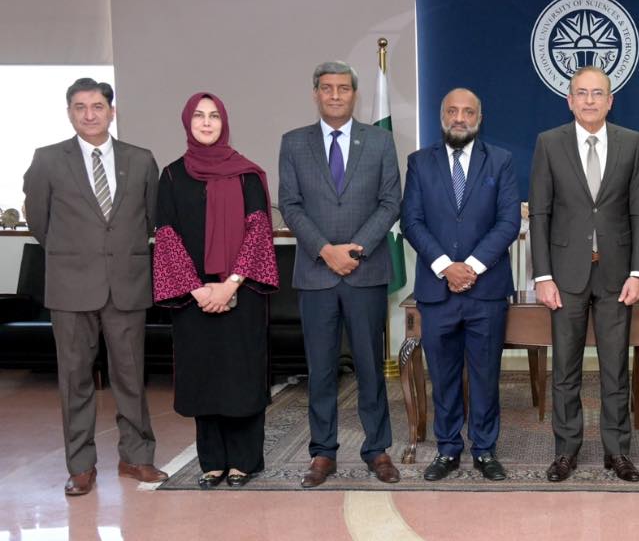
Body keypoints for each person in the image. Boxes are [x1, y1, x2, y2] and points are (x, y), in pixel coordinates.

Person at [23, 77, 167, 495]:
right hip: (70, 288)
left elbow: (151, 218)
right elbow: (40, 222)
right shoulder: (48, 160)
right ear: (70, 112)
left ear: (111, 111)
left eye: (97, 106)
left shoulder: (140, 160)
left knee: (131, 376)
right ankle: (81, 465)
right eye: (80, 107)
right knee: (75, 379)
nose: (89, 114)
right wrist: (75, 255)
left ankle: (136, 457)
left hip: (127, 284)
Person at [277, 61, 402, 487]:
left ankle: (377, 448)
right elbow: (290, 204)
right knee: (322, 369)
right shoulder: (293, 143)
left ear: (355, 94)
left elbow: (390, 203)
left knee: (370, 366)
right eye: (327, 88)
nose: (335, 95)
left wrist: (356, 249)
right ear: (315, 93)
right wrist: (326, 251)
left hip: (365, 272)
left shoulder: (380, 142)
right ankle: (323, 452)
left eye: (343, 88)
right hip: (316, 273)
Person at [529, 66, 639, 483]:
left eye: (598, 93)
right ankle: (566, 452)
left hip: (618, 275)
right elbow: (540, 213)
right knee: (565, 369)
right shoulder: (549, 143)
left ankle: (618, 453)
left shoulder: (631, 142)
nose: (590, 100)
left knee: (616, 368)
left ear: (610, 100)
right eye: (581, 93)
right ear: (569, 99)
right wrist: (542, 275)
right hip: (565, 276)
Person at [153, 92, 278, 489]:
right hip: (195, 301)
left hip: (240, 295)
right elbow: (167, 235)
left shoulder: (246, 174)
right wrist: (197, 290)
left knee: (240, 376)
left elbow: (259, 231)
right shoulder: (172, 175)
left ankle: (244, 460)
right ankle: (212, 461)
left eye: (214, 117)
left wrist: (230, 285)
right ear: (187, 122)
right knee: (204, 377)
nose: (207, 123)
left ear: (224, 122)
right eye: (199, 117)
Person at [401, 88, 520, 481]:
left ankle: (485, 450)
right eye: (452, 110)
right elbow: (412, 221)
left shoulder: (500, 161)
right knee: (444, 374)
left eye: (468, 112)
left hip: (485, 290)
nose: (460, 117)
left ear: (479, 119)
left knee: (485, 374)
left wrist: (468, 266)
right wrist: (444, 267)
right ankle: (448, 449)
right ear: (441, 117)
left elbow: (508, 223)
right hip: (437, 291)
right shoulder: (420, 162)